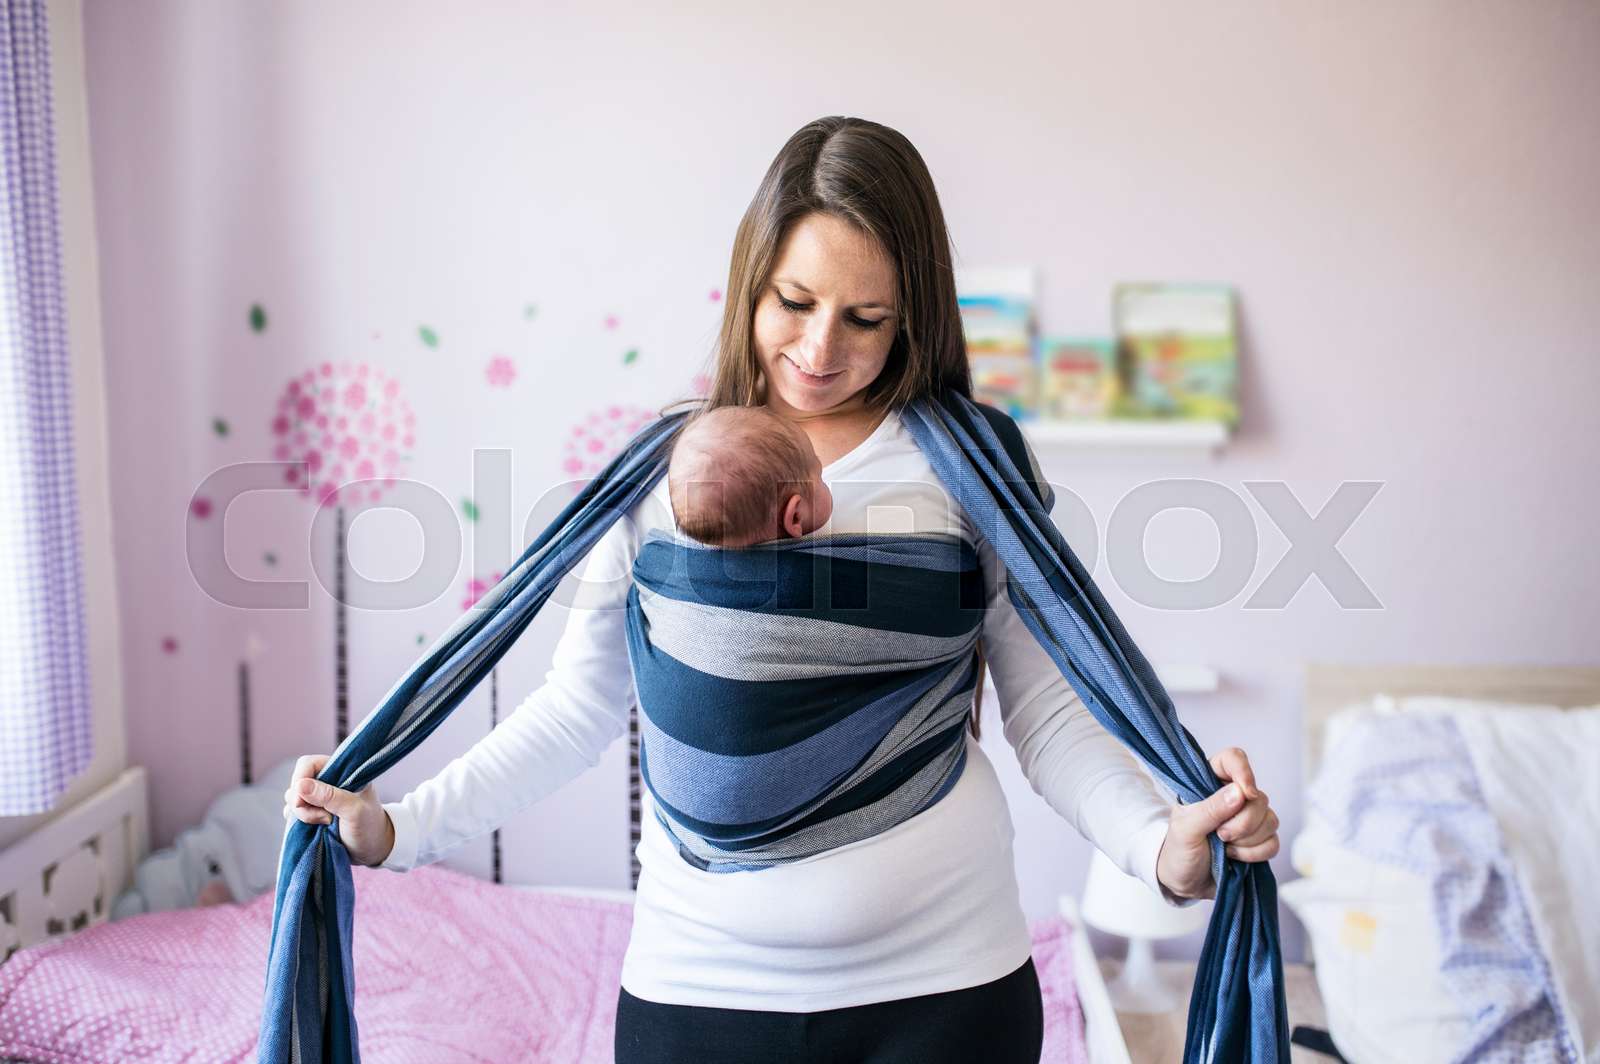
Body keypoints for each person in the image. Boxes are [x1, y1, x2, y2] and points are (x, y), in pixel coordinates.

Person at [282, 115, 1280, 1064]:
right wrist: (400, 825)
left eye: (865, 318)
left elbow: (1049, 715)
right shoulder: (664, 470)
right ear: (750, 284)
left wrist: (1161, 847)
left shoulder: (972, 468)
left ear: (913, 316)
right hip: (699, 990)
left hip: (948, 987)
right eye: (793, 303)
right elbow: (574, 711)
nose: (818, 349)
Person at [667, 404, 833, 546]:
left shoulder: (678, 564)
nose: (823, 479)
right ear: (796, 516)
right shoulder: (825, 570)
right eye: (819, 476)